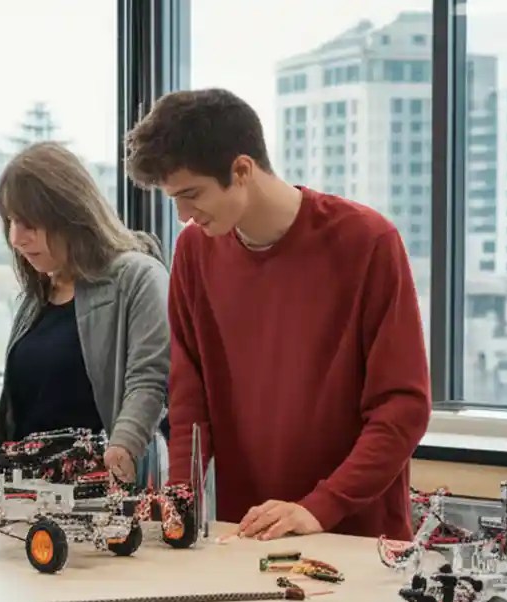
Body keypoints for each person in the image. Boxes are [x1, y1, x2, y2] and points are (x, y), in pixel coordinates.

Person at [124, 87, 432, 542]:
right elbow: (191, 396)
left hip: (356, 538)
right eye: (174, 200)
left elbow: (402, 407)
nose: (184, 215)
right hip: (246, 534)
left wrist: (319, 508)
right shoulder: (194, 253)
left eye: (192, 194)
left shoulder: (368, 242)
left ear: (242, 170)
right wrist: (181, 500)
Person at [0, 141, 171, 486]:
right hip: (23, 497)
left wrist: (123, 447)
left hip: (103, 497)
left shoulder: (137, 277)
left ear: (71, 213)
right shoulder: (34, 299)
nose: (16, 238)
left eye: (29, 223)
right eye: (11, 222)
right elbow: (13, 406)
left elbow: (150, 378)